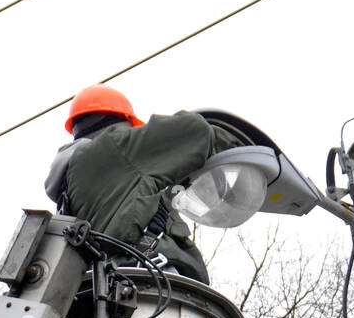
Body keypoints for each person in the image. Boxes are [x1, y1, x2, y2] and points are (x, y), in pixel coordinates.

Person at [44, 84, 231, 285]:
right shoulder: (115, 147)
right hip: (151, 281)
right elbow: (195, 130)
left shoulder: (76, 176)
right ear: (121, 122)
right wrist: (240, 147)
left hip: (105, 288)